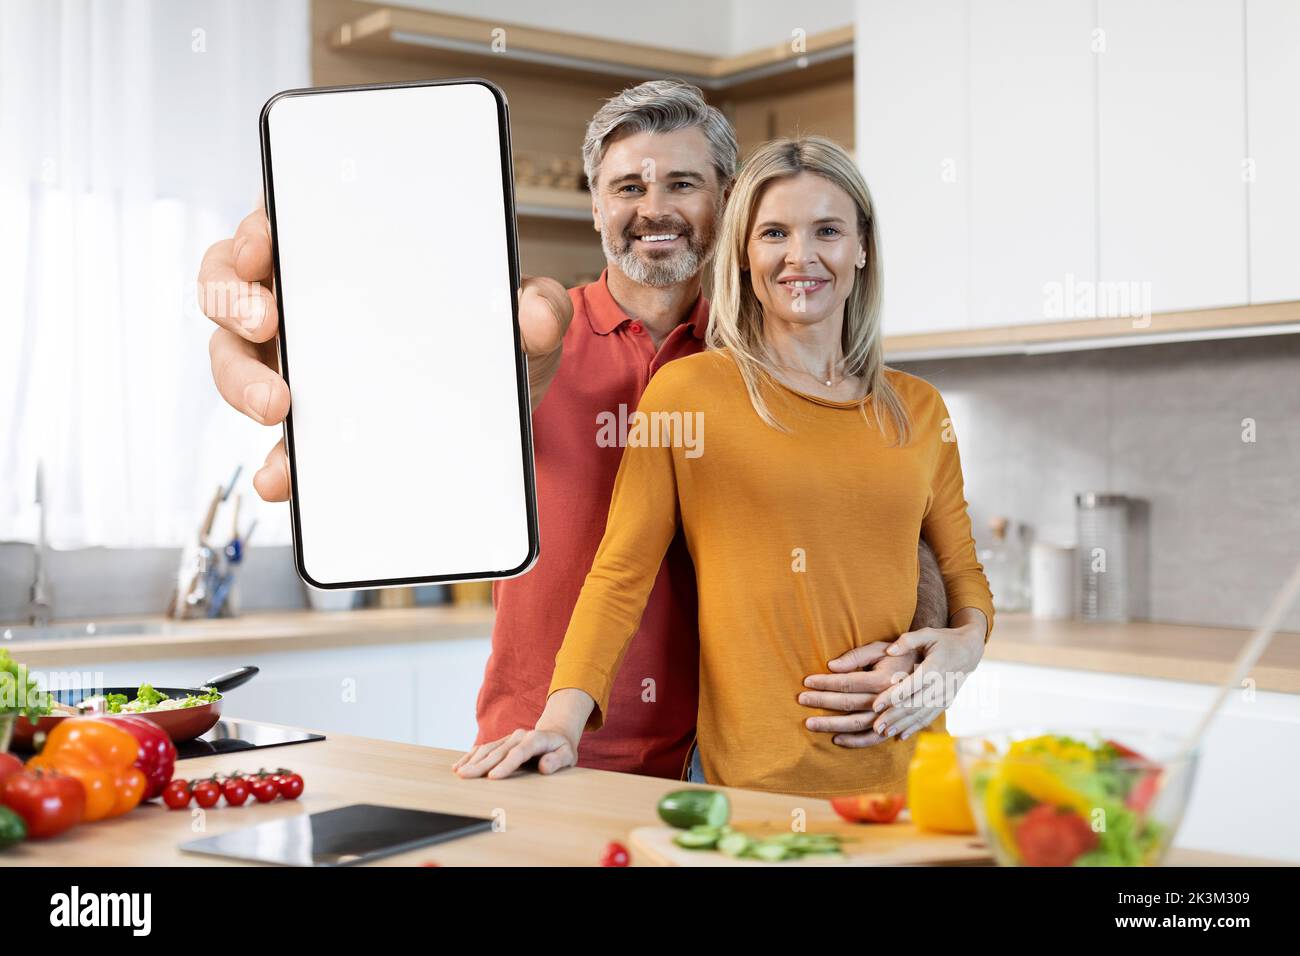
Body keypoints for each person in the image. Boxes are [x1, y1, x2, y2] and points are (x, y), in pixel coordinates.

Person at [198, 81, 945, 783]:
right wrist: (333, 356)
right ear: (594, 206)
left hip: (719, 757)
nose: (654, 209)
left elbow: (895, 528)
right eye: (627, 187)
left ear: (729, 204)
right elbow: (417, 410)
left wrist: (934, 644)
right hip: (541, 741)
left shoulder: (781, 360)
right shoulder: (524, 347)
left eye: (682, 184)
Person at [455, 137, 993, 797]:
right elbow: (621, 574)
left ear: (861, 248)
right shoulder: (691, 393)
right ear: (744, 251)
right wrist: (563, 724)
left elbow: (964, 574)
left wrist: (961, 652)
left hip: (911, 777)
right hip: (751, 785)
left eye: (827, 230)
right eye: (774, 233)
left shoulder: (918, 408)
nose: (802, 257)